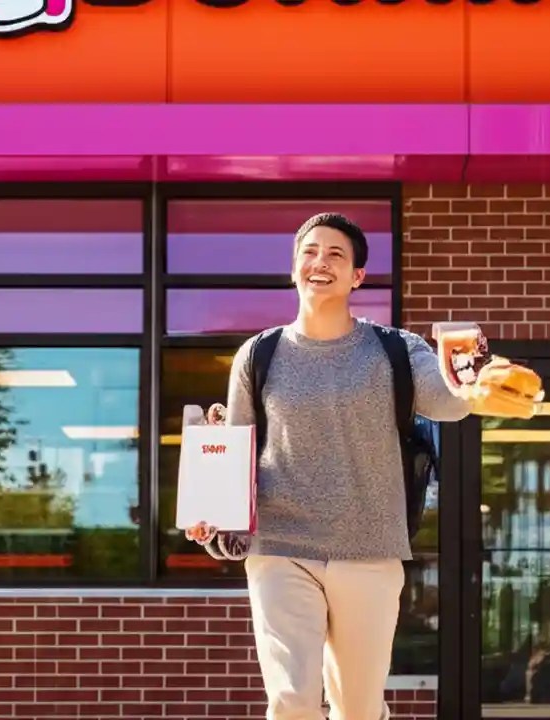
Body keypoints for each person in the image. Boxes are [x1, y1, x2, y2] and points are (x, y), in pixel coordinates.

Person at [185, 212, 479, 720]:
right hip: (281, 547)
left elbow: (449, 403)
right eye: (310, 252)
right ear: (294, 268)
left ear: (357, 277)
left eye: (336, 255)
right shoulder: (259, 354)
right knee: (292, 701)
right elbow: (235, 445)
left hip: (369, 547)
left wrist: (476, 374)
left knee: (358, 708)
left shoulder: (395, 350)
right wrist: (212, 512)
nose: (320, 262)